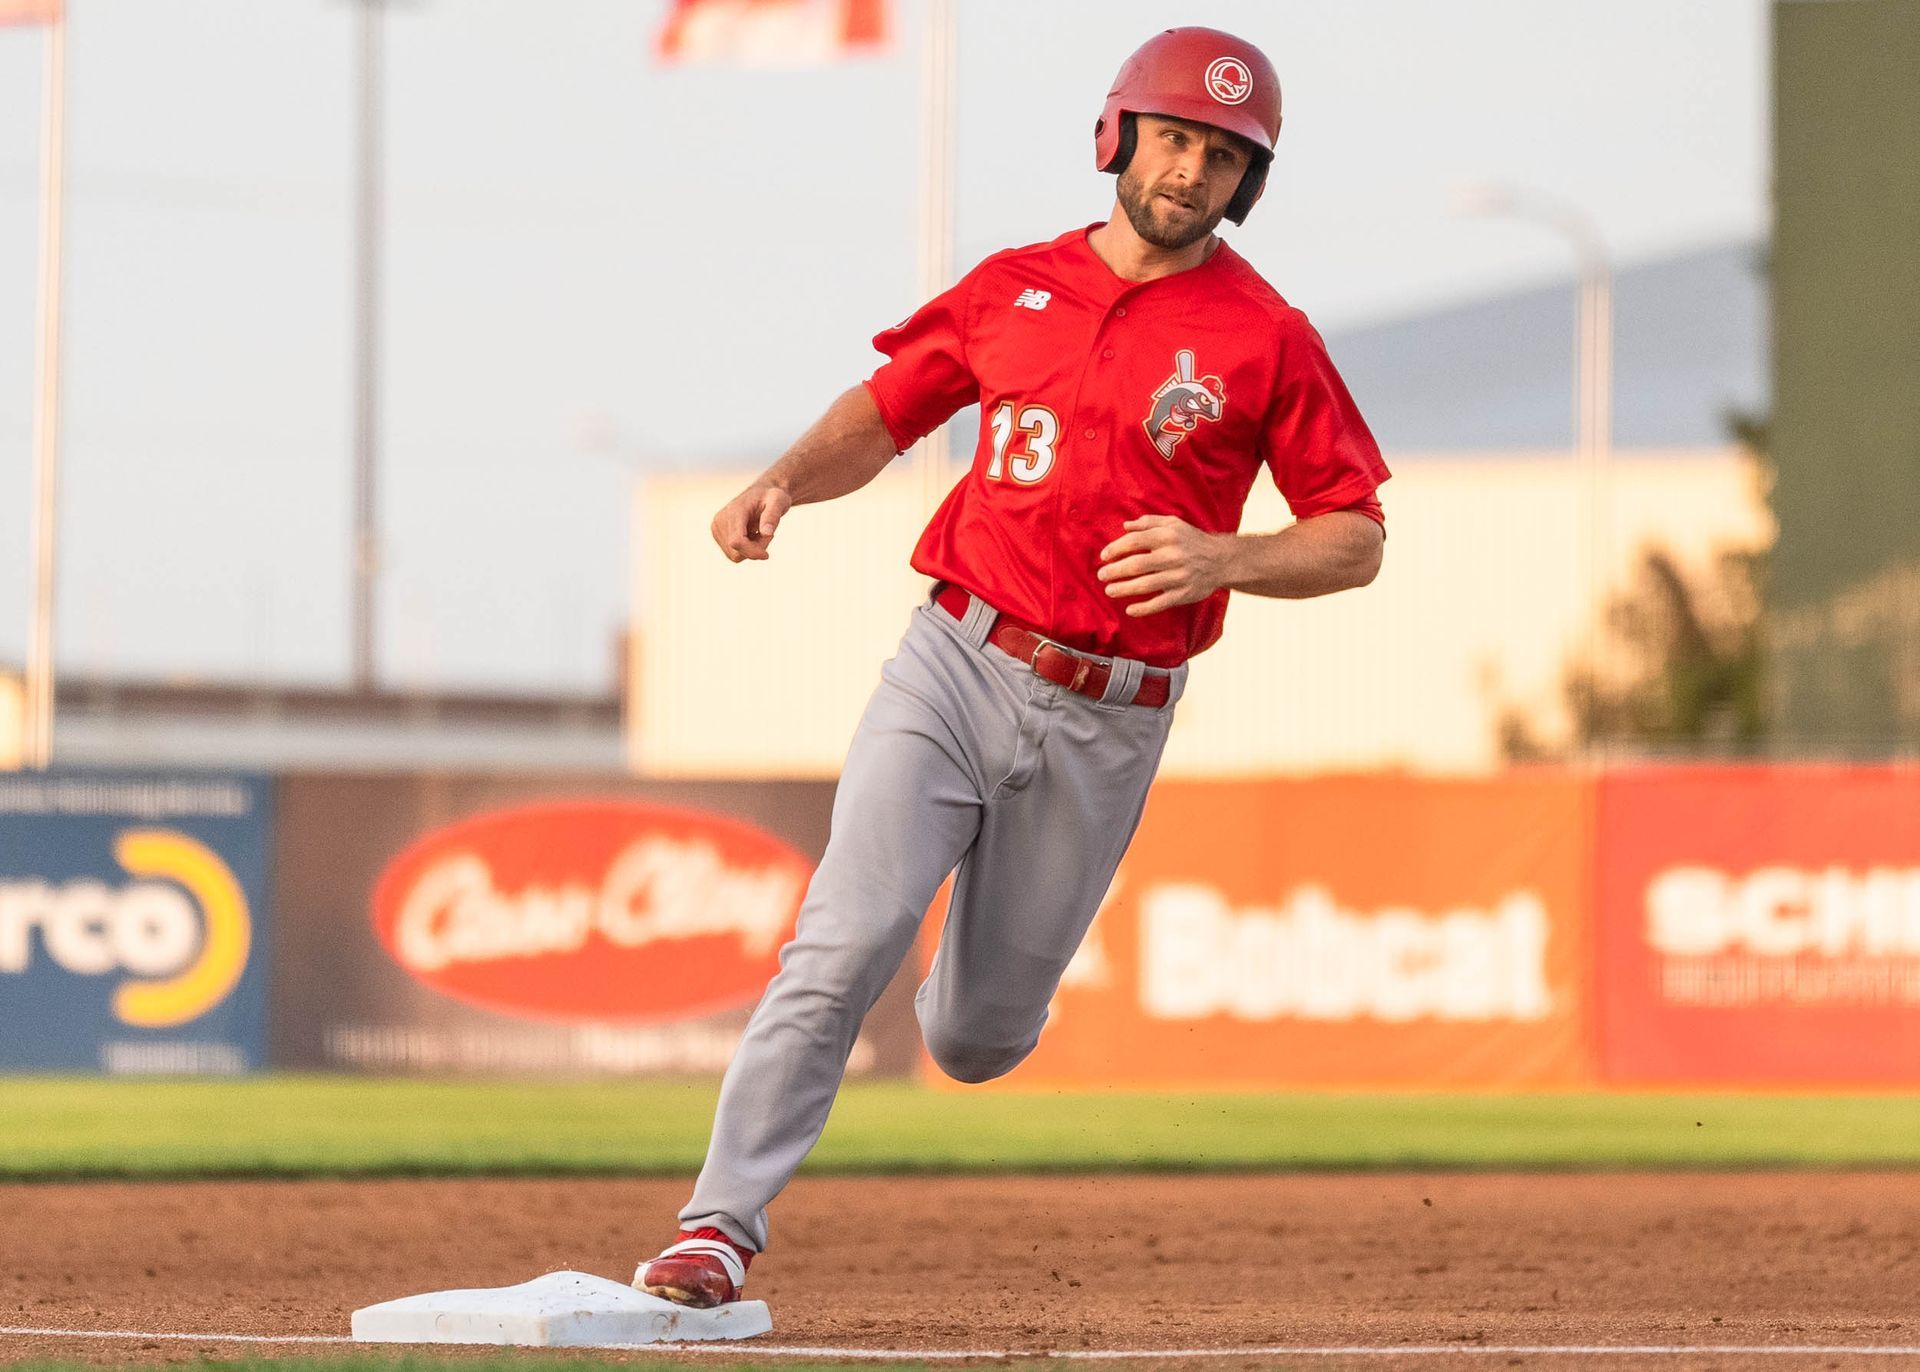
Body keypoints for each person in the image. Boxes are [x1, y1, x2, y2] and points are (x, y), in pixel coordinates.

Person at [635, 25, 1389, 1309]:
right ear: (1118, 136)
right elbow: (884, 414)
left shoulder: (1268, 337)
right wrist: (780, 485)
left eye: (1222, 153)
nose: (1189, 169)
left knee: (975, 1039)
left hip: (1111, 715)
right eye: (1173, 137)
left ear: (1245, 181)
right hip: (957, 658)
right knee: (844, 935)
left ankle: (972, 968)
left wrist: (1230, 558)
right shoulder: (1014, 287)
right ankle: (718, 1224)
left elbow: (1355, 536)